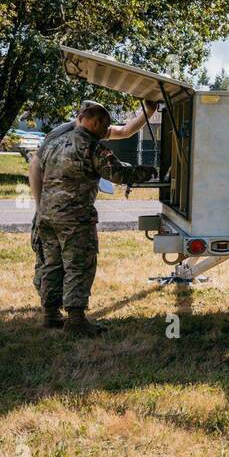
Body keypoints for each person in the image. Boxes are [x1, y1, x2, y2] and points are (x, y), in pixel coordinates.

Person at [33, 102, 157, 335]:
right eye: (105, 127)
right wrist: (148, 171)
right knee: (79, 265)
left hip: (47, 215)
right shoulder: (91, 147)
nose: (106, 132)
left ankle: (50, 314)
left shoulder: (54, 143)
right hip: (75, 218)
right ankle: (76, 320)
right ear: (96, 122)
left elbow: (36, 168)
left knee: (52, 264)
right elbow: (118, 173)